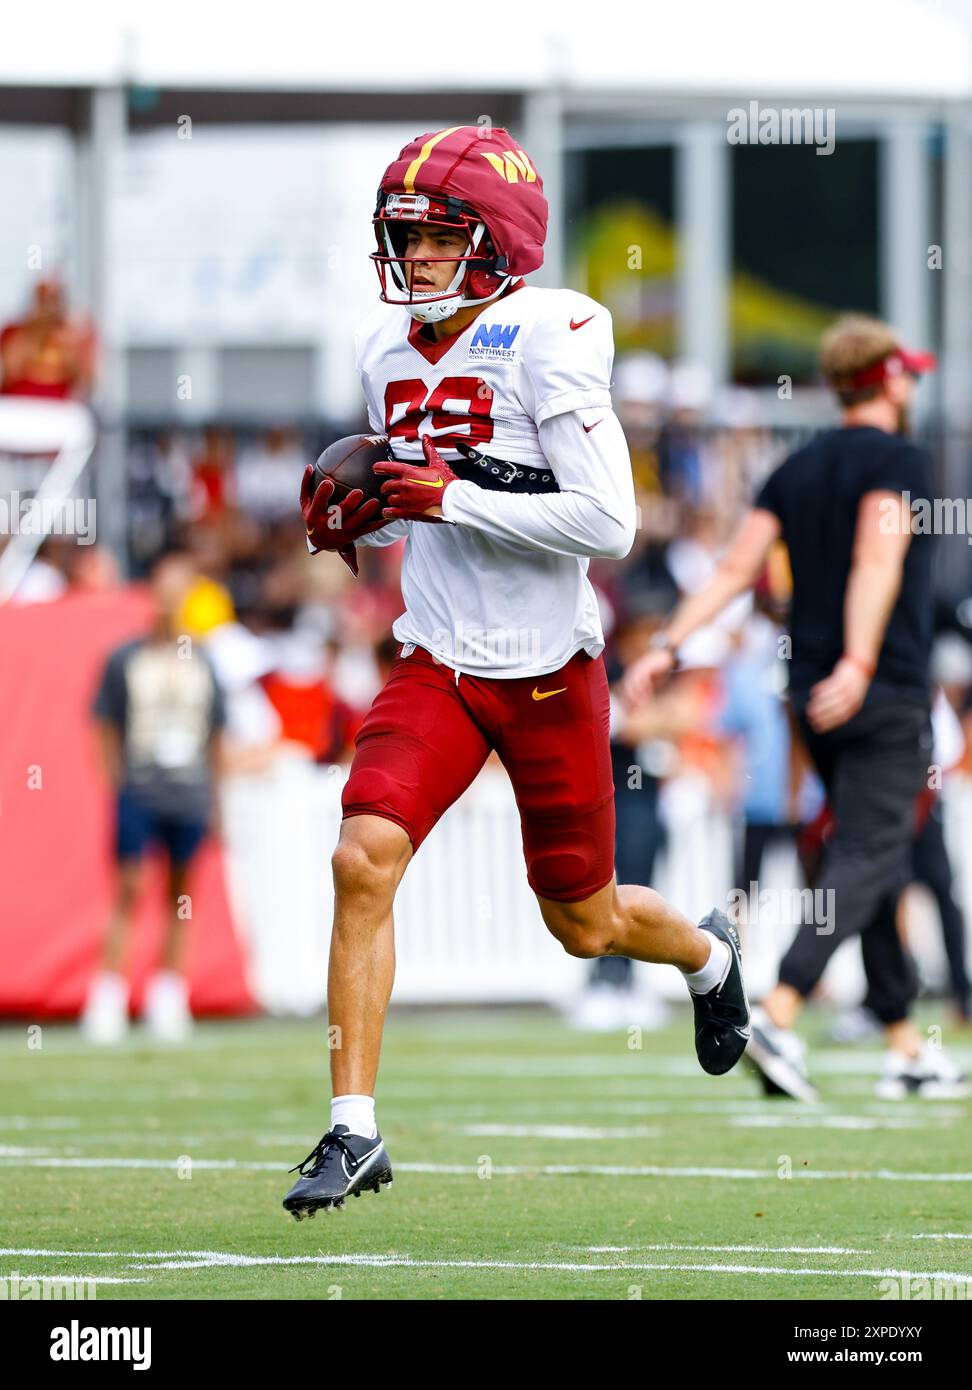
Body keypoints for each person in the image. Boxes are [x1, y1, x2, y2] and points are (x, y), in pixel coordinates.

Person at [283, 125, 751, 1218]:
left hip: (546, 671)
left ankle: (706, 957)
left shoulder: (552, 334)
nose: (412, 258)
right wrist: (363, 513)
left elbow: (609, 520)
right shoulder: (382, 350)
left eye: (435, 236)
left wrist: (446, 495)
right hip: (437, 657)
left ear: (497, 241)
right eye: (402, 235)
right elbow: (423, 494)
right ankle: (354, 1129)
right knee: (363, 857)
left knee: (581, 920)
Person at [624, 314, 967, 1101]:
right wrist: (861, 657)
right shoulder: (900, 457)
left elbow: (735, 570)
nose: (912, 384)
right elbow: (879, 559)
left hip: (810, 694)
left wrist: (667, 645)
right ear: (885, 380)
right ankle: (776, 1008)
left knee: (862, 850)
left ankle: (905, 1043)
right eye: (906, 373)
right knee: (873, 853)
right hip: (877, 686)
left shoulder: (797, 467)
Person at [82, 551, 226, 1044]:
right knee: (129, 888)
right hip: (141, 788)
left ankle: (169, 990)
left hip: (189, 791)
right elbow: (103, 724)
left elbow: (216, 736)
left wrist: (216, 800)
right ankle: (109, 991)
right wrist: (116, 782)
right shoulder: (127, 657)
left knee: (181, 896)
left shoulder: (205, 662)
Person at [0, 278, 95, 399]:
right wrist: (29, 338)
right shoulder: (12, 331)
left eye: (54, 298)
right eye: (43, 298)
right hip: (18, 406)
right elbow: (6, 374)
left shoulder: (73, 334)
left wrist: (70, 346)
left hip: (57, 409)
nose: (48, 305)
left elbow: (86, 382)